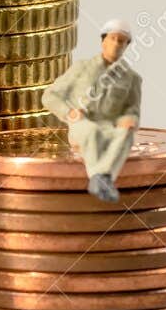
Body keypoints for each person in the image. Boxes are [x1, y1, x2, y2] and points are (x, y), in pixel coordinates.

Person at [42, 18, 144, 202]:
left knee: (125, 135)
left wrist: (130, 120)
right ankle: (101, 177)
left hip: (109, 128)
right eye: (112, 38)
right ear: (103, 41)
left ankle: (100, 178)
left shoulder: (132, 78)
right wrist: (69, 112)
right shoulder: (81, 68)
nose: (116, 44)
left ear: (127, 45)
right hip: (82, 125)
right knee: (91, 130)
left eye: (121, 41)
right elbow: (50, 95)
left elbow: (132, 109)